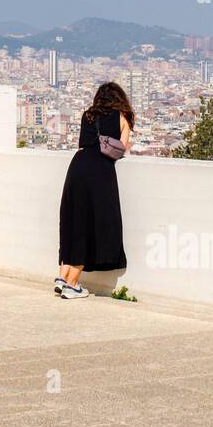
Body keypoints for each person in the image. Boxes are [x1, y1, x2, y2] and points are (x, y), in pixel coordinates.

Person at [55, 81, 133, 299]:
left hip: (77, 167)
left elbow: (82, 144)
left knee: (73, 221)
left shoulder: (87, 115)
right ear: (120, 99)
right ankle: (72, 285)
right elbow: (121, 149)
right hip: (100, 171)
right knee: (89, 225)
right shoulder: (121, 117)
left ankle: (62, 277)